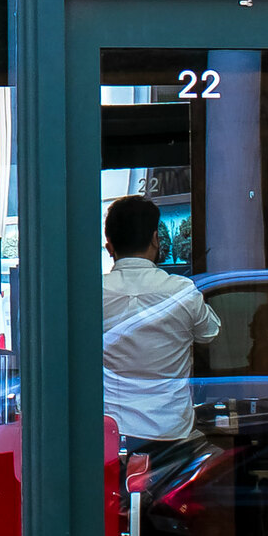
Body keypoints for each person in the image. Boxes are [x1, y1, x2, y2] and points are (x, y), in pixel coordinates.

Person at [100, 195, 242, 464]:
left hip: (112, 435)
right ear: (156, 238)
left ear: (110, 246)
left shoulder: (90, 294)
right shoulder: (182, 292)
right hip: (171, 435)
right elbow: (210, 332)